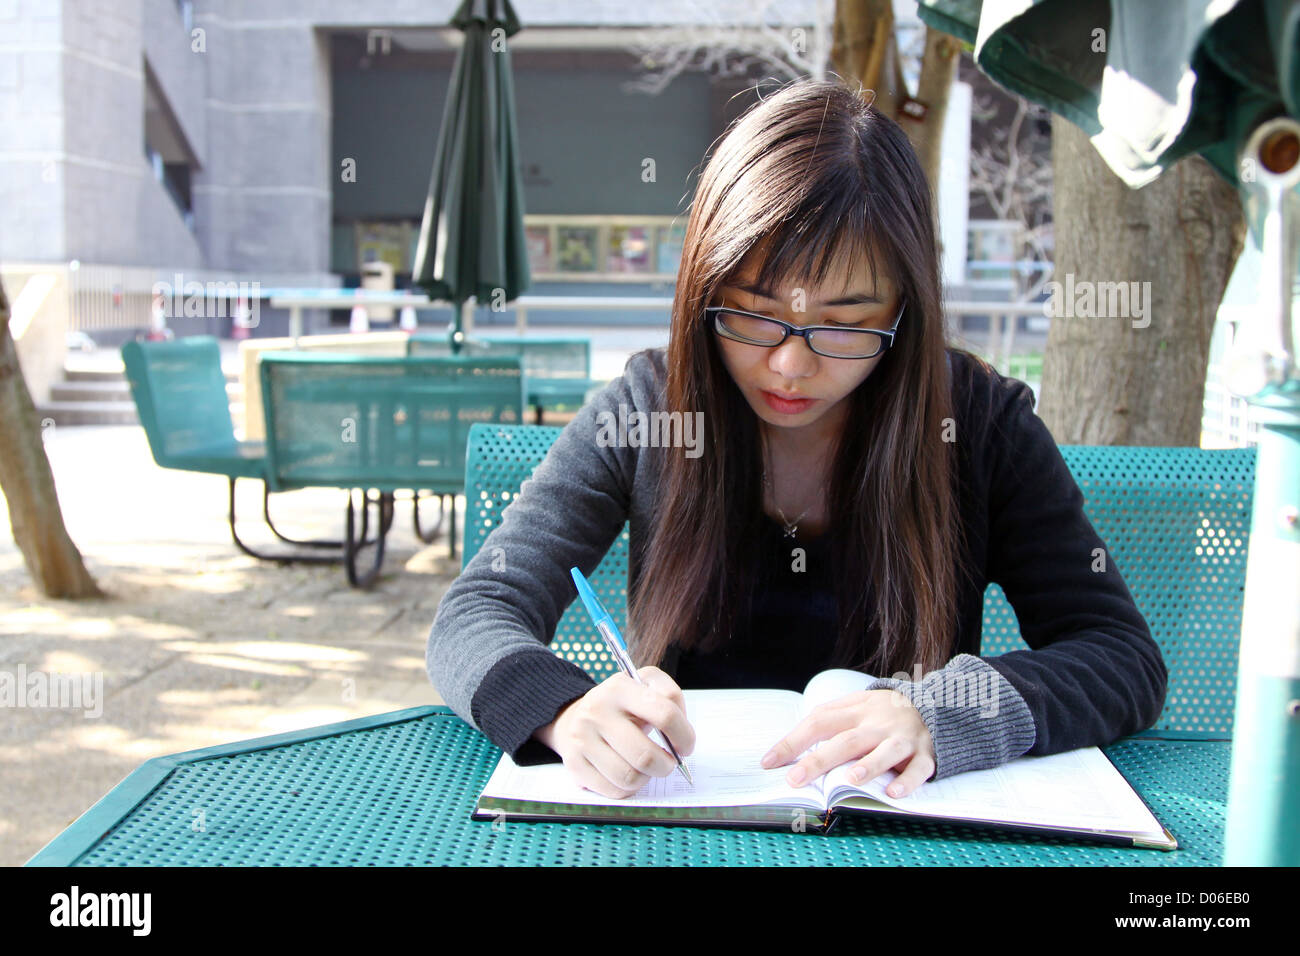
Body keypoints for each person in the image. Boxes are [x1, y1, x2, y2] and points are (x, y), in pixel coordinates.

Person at [426, 79, 1167, 802]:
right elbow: (479, 608)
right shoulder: (652, 408)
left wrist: (948, 714)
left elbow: (1120, 656)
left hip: (901, 829)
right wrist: (563, 709)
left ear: (905, 311)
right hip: (684, 820)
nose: (789, 364)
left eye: (845, 324)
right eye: (750, 313)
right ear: (702, 293)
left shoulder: (978, 424)